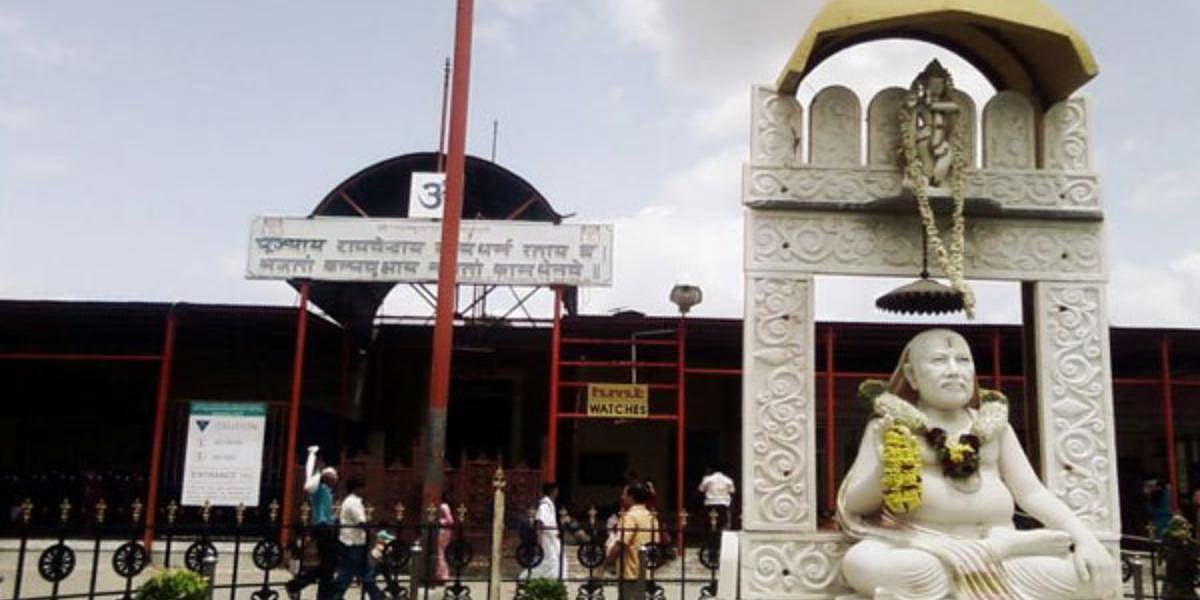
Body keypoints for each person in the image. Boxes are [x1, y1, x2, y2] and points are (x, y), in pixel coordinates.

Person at [838, 329, 1119, 599]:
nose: (953, 370)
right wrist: (884, 469)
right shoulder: (888, 427)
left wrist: (1085, 539)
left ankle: (995, 551)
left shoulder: (995, 427)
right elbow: (855, 505)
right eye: (939, 360)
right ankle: (996, 550)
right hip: (924, 547)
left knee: (1090, 577)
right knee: (864, 563)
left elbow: (1032, 493)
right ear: (911, 375)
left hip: (1000, 553)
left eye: (963, 360)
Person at [287, 446, 339, 600]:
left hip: (327, 527)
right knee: (328, 564)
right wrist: (318, 468)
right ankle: (298, 585)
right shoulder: (319, 489)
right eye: (332, 477)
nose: (335, 480)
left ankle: (303, 586)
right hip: (321, 527)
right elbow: (308, 485)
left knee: (328, 565)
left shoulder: (328, 491)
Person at [606, 482, 659, 600]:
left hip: (630, 572)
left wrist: (606, 563)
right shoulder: (651, 516)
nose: (622, 497)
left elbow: (621, 544)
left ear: (631, 496)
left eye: (624, 494)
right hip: (646, 571)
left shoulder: (630, 517)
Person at [331, 476, 382, 600]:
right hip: (353, 544)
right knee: (347, 573)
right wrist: (375, 535)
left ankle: (377, 596)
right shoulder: (354, 503)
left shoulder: (350, 501)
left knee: (365, 573)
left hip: (353, 542)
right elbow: (361, 522)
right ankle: (335, 596)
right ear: (357, 489)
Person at [531, 482, 568, 579]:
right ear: (554, 491)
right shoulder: (544, 506)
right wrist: (539, 542)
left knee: (558, 560)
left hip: (553, 539)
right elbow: (540, 523)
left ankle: (556, 582)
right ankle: (530, 579)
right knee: (550, 561)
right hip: (547, 539)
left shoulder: (550, 505)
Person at [697, 466, 735, 531]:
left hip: (710, 503)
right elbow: (732, 491)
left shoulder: (707, 479)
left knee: (708, 523)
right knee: (722, 524)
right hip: (723, 504)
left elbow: (701, 489)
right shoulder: (728, 480)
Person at [434, 493, 454, 583]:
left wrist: (440, 521)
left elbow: (450, 520)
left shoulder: (443, 506)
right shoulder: (442, 506)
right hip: (444, 531)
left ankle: (442, 574)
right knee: (440, 552)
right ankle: (440, 573)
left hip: (443, 531)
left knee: (441, 552)